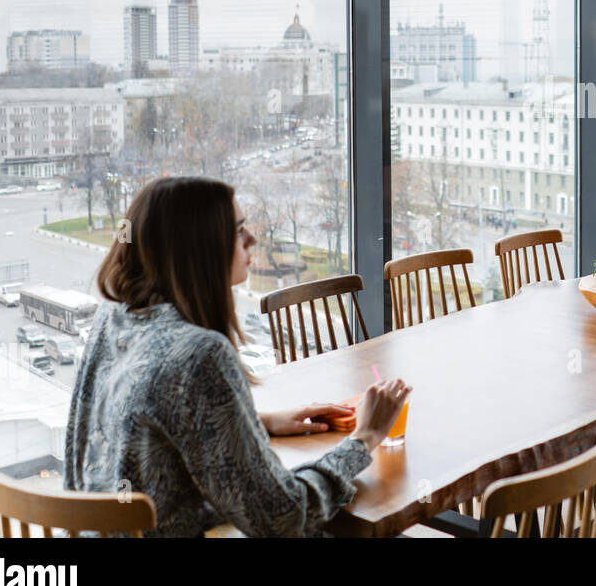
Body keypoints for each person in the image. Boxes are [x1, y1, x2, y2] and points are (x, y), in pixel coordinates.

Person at [65, 175, 410, 537]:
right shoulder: (198, 354)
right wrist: (364, 438)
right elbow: (283, 518)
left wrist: (251, 421)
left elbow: (138, 422)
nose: (252, 239)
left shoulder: (115, 313)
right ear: (199, 247)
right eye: (239, 230)